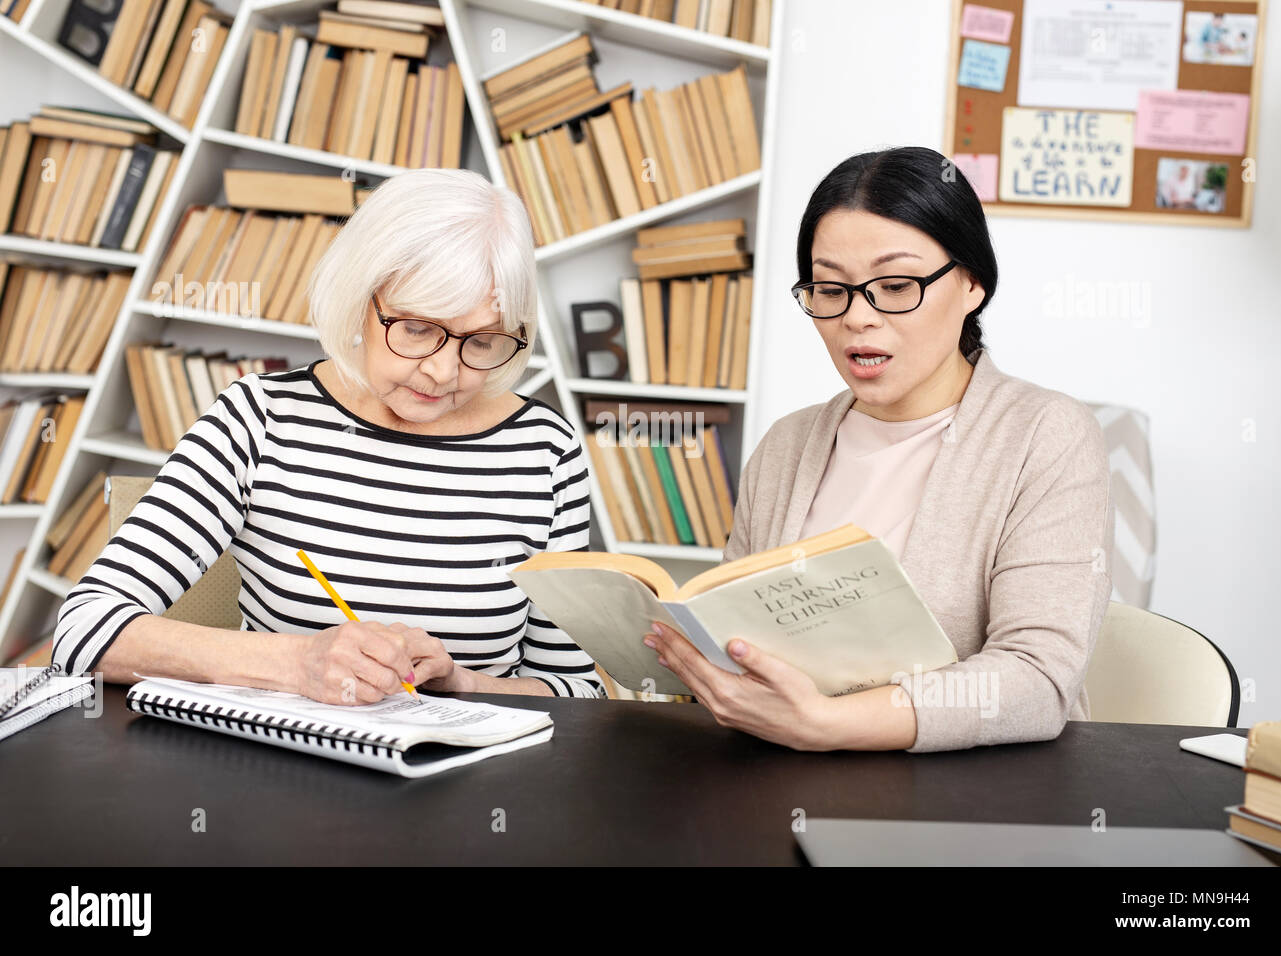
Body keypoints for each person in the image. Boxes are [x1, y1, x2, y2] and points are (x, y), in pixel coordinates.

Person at [52, 168, 605, 702]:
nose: (443, 371)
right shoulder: (259, 418)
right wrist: (298, 664)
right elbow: (84, 631)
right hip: (285, 770)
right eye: (416, 328)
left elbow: (577, 689)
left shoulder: (546, 449)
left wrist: (461, 682)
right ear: (360, 298)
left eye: (481, 341)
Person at [643, 147, 1113, 753]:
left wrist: (825, 725)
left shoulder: (1046, 435)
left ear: (972, 283)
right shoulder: (787, 445)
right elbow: (739, 636)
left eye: (895, 286)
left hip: (972, 804)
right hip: (777, 777)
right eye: (830, 289)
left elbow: (1035, 680)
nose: (857, 318)